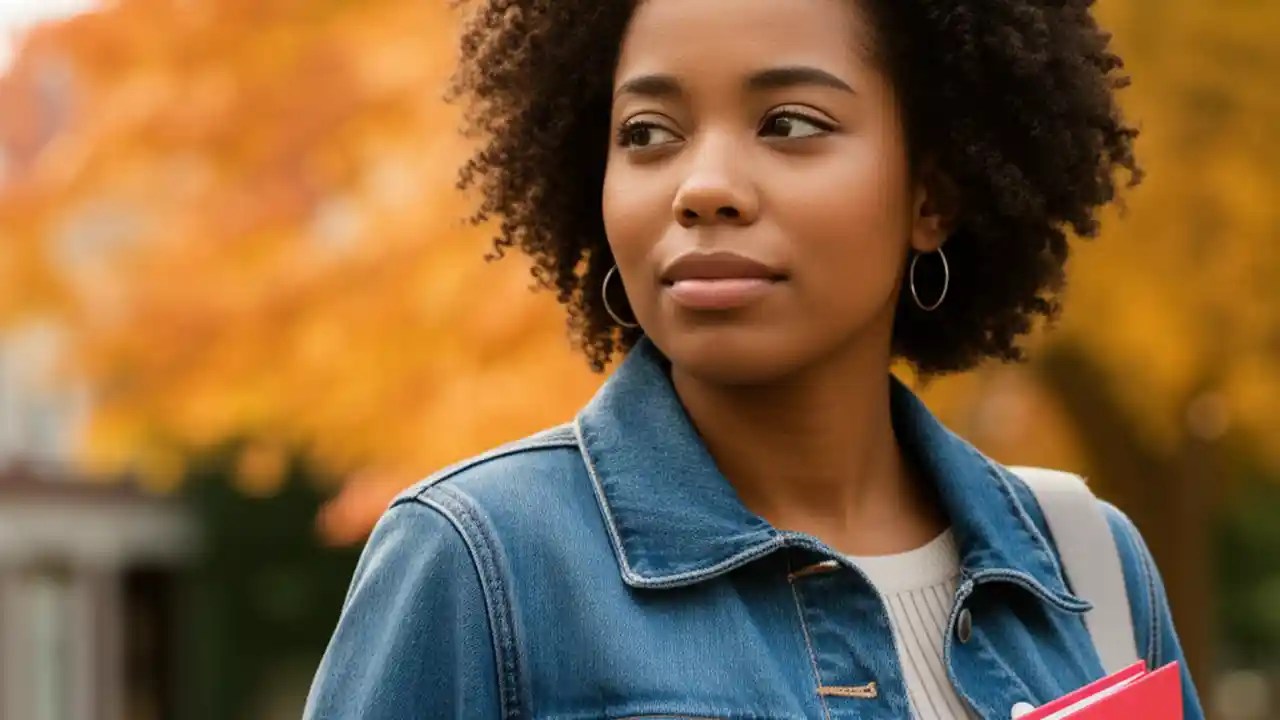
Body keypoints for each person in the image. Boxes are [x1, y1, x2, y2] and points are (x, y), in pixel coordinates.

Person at [305, 0, 1204, 718]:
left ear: (933, 193)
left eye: (789, 122)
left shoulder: (1086, 566)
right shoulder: (480, 565)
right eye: (649, 134)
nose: (702, 188)